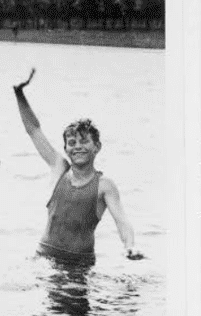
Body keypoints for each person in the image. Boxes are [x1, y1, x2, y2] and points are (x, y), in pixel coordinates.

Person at [13, 68, 143, 263]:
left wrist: (130, 246)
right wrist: (19, 94)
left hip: (79, 265)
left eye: (84, 142)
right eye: (72, 143)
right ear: (66, 149)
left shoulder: (104, 185)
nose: (77, 147)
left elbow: (122, 221)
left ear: (97, 147)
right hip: (45, 258)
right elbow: (33, 130)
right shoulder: (59, 167)